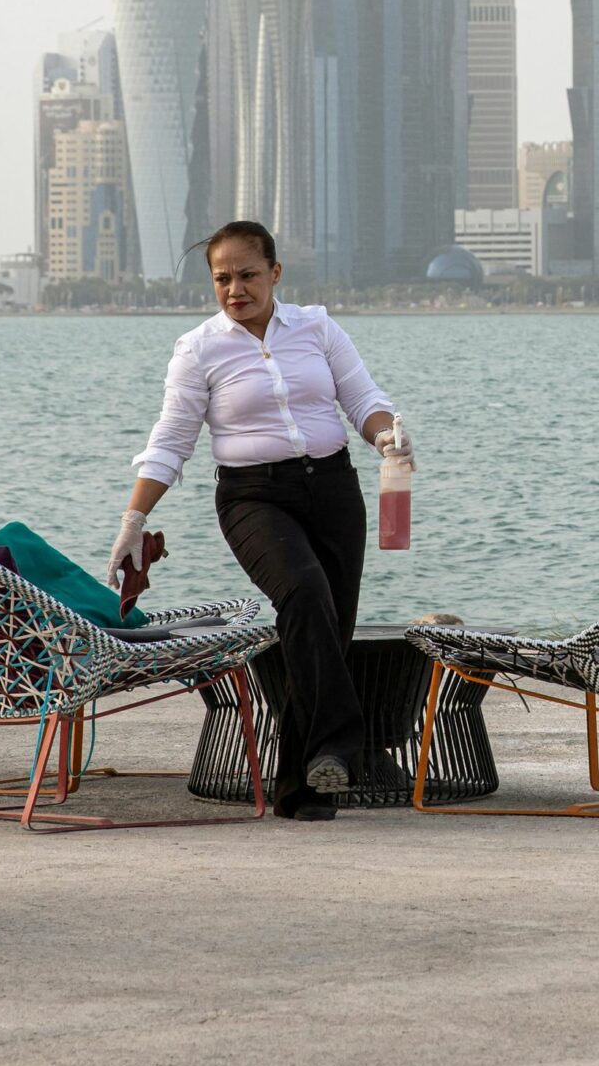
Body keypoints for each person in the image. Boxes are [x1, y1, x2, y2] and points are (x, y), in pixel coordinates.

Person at [115, 219, 412, 821]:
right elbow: (171, 441)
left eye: (248, 275)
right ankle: (346, 740)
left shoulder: (317, 328)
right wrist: (133, 519)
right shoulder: (199, 349)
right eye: (222, 278)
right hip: (253, 497)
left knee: (328, 626)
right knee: (302, 594)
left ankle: (302, 791)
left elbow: (362, 399)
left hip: (333, 489)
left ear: (275, 273)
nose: (235, 289)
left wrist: (388, 438)